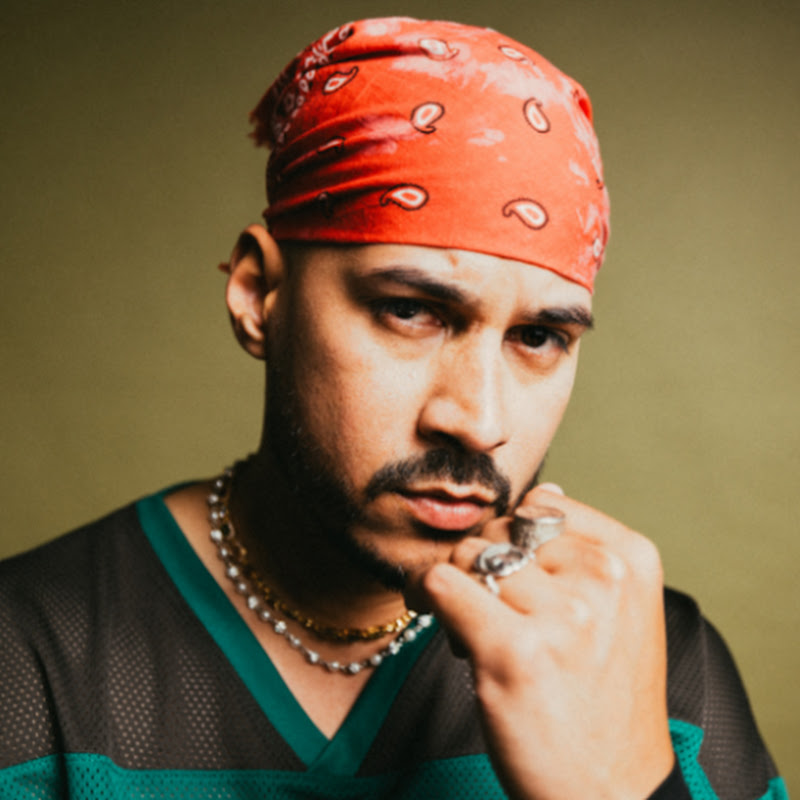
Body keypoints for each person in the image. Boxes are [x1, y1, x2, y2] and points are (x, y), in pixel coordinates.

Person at [0, 16, 788, 800]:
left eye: (539, 336)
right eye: (410, 311)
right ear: (258, 292)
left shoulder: (647, 665)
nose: (479, 422)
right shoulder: (29, 654)